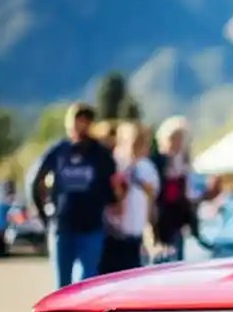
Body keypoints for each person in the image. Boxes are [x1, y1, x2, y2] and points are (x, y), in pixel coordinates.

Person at [29, 103, 119, 288]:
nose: (81, 126)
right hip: (63, 227)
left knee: (88, 284)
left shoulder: (100, 154)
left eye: (85, 121)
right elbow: (35, 181)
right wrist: (44, 216)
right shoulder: (59, 151)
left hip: (91, 228)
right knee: (62, 286)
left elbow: (112, 186)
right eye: (77, 121)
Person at [151, 116, 216, 262]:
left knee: (177, 257)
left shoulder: (185, 163)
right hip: (161, 220)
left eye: (180, 138)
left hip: (178, 219)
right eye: (174, 138)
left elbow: (190, 192)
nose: (177, 143)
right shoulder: (158, 162)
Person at [99, 121, 158, 274]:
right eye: (135, 142)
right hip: (113, 235)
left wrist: (150, 231)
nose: (140, 147)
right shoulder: (114, 163)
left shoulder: (146, 167)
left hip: (135, 236)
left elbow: (151, 199)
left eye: (143, 143)